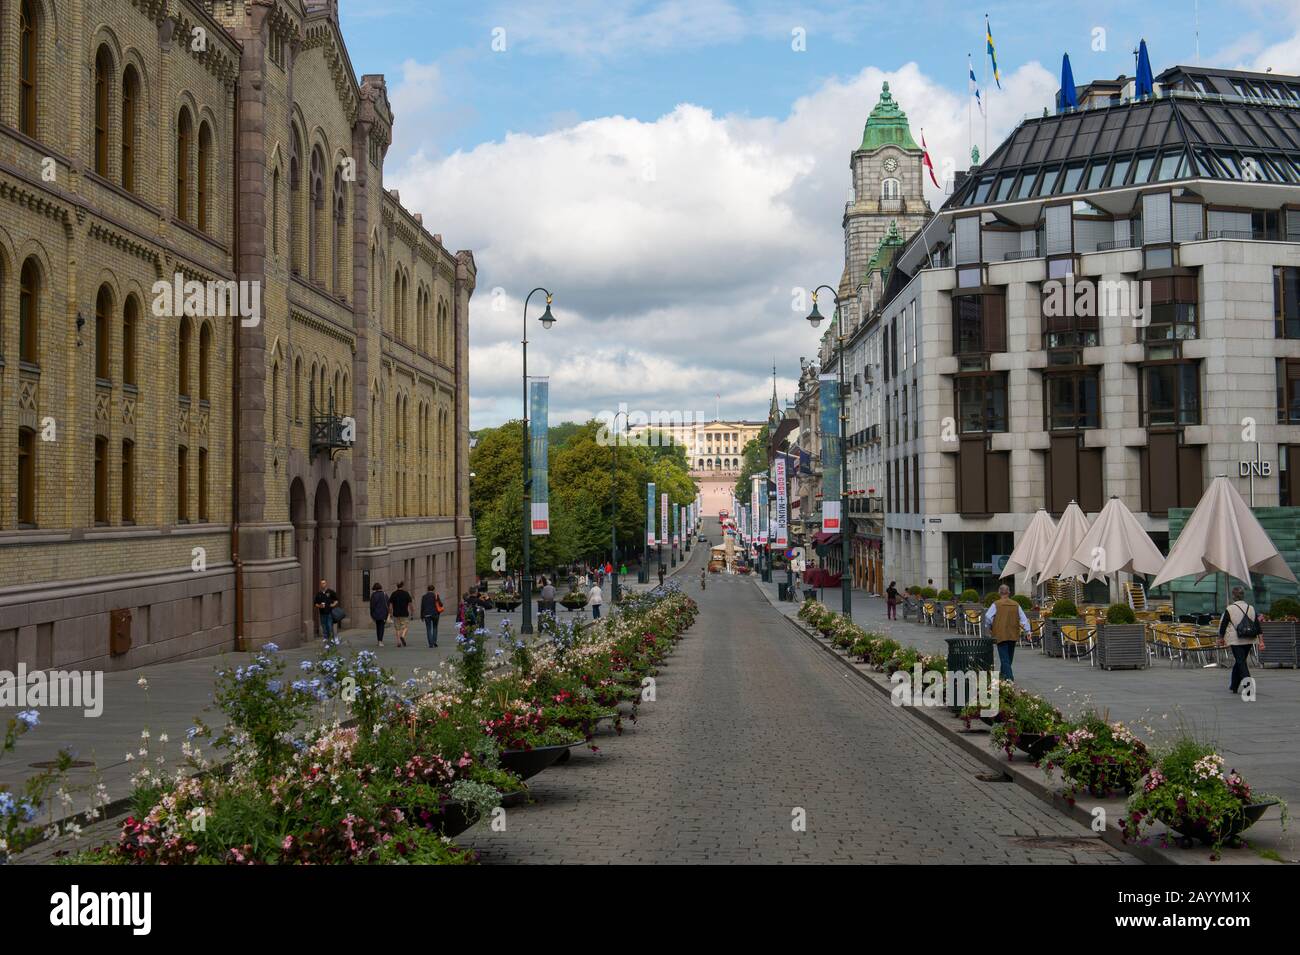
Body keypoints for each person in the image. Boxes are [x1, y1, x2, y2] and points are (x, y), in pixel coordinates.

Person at [1219, 587, 1264, 697]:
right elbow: (1257, 626)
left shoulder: (1230, 609)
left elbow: (1223, 625)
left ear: (1233, 596)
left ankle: (1249, 689)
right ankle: (1234, 686)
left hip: (1236, 639)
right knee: (1240, 661)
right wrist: (1261, 641)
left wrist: (1220, 638)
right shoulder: (1251, 608)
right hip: (1249, 638)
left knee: (1241, 662)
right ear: (1243, 595)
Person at [984, 585, 1031, 682]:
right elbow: (1024, 619)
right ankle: (1002, 676)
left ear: (999, 592)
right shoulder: (1016, 604)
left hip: (1001, 634)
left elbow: (988, 617)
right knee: (1008, 658)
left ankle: (1009, 678)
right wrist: (1028, 631)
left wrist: (989, 626)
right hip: (1013, 634)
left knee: (1005, 659)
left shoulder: (996, 604)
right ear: (1009, 592)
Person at [389, 581, 413, 647]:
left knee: (397, 628)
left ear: (397, 586)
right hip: (404, 613)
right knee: (405, 627)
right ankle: (402, 636)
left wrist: (390, 614)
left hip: (396, 614)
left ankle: (398, 642)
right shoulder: (406, 594)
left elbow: (390, 606)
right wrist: (412, 612)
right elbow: (410, 604)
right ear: (403, 586)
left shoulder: (393, 594)